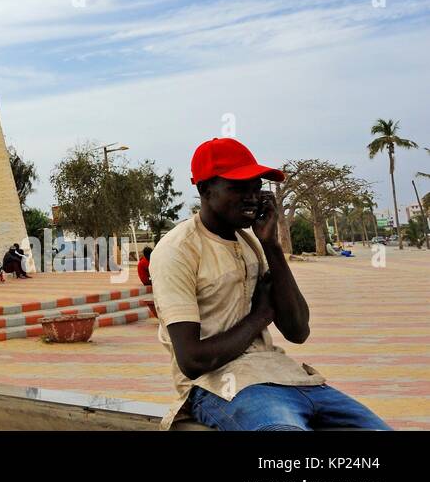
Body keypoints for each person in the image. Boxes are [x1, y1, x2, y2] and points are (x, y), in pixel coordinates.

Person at [150, 137, 389, 431]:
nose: (252, 197)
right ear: (205, 189)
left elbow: (298, 330)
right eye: (238, 187)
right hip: (222, 387)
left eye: (256, 187)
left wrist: (272, 246)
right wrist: (261, 317)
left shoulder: (251, 243)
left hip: (291, 378)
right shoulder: (178, 250)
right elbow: (192, 360)